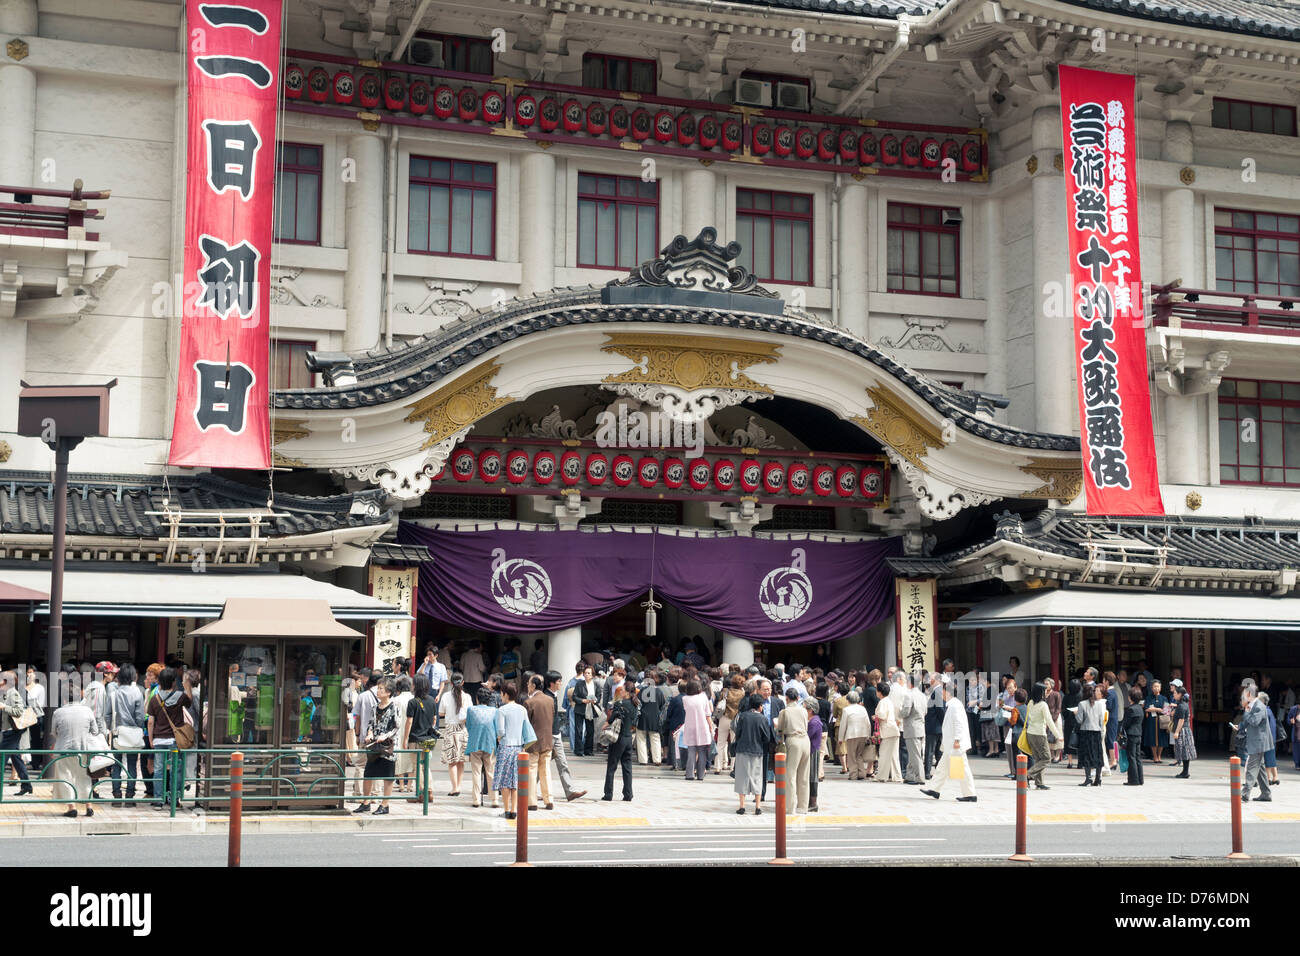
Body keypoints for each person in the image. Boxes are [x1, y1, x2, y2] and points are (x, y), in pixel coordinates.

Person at [920, 676, 977, 802]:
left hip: (956, 743)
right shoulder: (953, 704)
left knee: (963, 769)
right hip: (951, 744)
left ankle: (970, 793)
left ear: (948, 692)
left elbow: (958, 724)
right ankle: (935, 789)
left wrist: (957, 740)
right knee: (942, 767)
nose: (942, 694)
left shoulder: (954, 706)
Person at [145, 667, 191, 810]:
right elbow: (189, 702)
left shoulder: (154, 698)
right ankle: (173, 800)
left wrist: (151, 740)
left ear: (159, 681)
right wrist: (187, 686)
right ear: (173, 681)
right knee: (175, 769)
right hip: (174, 740)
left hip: (159, 740)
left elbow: (150, 722)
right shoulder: (180, 696)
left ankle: (158, 800)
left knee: (158, 769)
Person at [50, 694, 103, 817]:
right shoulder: (87, 710)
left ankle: (71, 807)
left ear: (64, 699)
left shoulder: (58, 712)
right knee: (84, 777)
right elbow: (95, 731)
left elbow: (54, 732)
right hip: (83, 749)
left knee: (65, 778)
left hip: (63, 750)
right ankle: (88, 806)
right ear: (80, 697)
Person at [356, 676, 399, 815]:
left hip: (388, 746)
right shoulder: (375, 707)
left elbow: (396, 727)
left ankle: (384, 804)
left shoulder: (394, 707)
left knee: (388, 776)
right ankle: (366, 802)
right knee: (368, 773)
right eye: (378, 688)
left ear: (388, 692)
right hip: (374, 745)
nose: (378, 691)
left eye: (381, 689)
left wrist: (384, 736)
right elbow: (371, 724)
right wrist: (369, 733)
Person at [108, 663, 147, 806]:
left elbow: (107, 715)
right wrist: (137, 728)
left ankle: (116, 795)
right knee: (131, 765)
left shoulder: (113, 693)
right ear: (132, 676)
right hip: (133, 734)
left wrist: (111, 729)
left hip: (117, 733)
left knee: (116, 765)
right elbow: (140, 717)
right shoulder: (137, 693)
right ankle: (129, 796)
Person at [543, 671, 585, 802]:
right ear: (551, 683)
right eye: (559, 681)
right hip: (549, 736)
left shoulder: (554, 695)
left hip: (556, 735)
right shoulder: (546, 697)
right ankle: (526, 789)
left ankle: (570, 791)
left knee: (563, 764)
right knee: (541, 765)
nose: (561, 683)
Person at [493, 682, 529, 819]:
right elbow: (526, 728)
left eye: (502, 693)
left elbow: (501, 730)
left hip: (506, 747)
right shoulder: (522, 709)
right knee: (515, 781)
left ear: (506, 694)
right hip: (519, 748)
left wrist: (498, 737)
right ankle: (514, 810)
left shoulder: (502, 710)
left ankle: (507, 809)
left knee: (504, 780)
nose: (501, 696)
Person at [732, 694, 773, 814]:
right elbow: (766, 738)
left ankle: (742, 806)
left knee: (742, 777)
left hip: (742, 749)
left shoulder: (743, 716)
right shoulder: (763, 718)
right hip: (757, 751)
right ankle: (758, 807)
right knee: (757, 777)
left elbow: (738, 733)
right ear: (760, 706)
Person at [403, 674, 439, 800]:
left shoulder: (412, 702)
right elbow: (434, 720)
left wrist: (405, 739)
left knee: (417, 766)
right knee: (426, 765)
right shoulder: (431, 701)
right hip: (428, 739)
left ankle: (421, 793)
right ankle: (429, 791)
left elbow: (409, 722)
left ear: (416, 686)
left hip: (415, 738)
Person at [774, 686, 810, 813]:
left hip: (793, 741)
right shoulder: (804, 711)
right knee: (804, 775)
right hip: (806, 740)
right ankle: (803, 806)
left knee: (790, 774)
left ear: (787, 698)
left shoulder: (784, 712)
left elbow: (780, 730)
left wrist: (776, 725)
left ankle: (789, 807)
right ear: (798, 698)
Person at [601, 681, 638, 802]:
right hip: (629, 738)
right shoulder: (635, 704)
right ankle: (628, 794)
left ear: (627, 692)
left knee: (611, 766)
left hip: (618, 739)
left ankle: (608, 794)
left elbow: (612, 717)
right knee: (627, 767)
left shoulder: (619, 703)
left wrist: (606, 723)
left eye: (622, 690)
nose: (620, 691)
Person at [1235, 683, 1272, 802]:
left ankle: (1245, 794)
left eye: (1244, 694)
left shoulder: (1259, 706)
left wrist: (1246, 711)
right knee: (1260, 768)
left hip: (1259, 742)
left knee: (1251, 767)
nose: (1243, 697)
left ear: (1249, 694)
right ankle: (1266, 793)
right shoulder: (1253, 705)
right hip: (1256, 741)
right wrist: (1240, 726)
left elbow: (1254, 721)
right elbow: (1248, 722)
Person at [523, 674, 555, 809]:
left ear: (534, 686)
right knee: (546, 770)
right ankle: (549, 800)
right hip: (547, 740)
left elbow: (525, 724)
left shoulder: (529, 703)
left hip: (532, 742)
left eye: (529, 684)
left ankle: (532, 802)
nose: (527, 686)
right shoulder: (550, 700)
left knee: (531, 770)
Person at [465, 686, 498, 809]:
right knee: (491, 772)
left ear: (477, 698)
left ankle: (476, 799)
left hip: (475, 742)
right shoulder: (494, 711)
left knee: (476, 771)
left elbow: (468, 725)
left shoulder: (471, 710)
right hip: (490, 743)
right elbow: (496, 728)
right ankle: (494, 799)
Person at [0, 670, 33, 795]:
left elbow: (19, 711)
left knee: (1, 759)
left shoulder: (12, 693)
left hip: (12, 732)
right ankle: (27, 785)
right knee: (16, 759)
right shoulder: (5, 692)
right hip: (8, 730)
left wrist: (4, 707)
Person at [438, 672, 470, 796]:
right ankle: (459, 786)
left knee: (452, 761)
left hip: (450, 729)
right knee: (461, 760)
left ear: (451, 683)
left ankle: (454, 787)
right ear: (462, 683)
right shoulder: (467, 696)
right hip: (462, 729)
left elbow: (441, 713)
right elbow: (470, 713)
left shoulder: (446, 696)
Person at [1074, 682, 1108, 787]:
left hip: (1086, 732)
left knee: (1087, 755)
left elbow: (1079, 720)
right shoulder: (1099, 704)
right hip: (1097, 731)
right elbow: (1102, 719)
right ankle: (1098, 778)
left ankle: (1088, 778)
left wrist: (1075, 713)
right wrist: (1102, 731)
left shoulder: (1082, 704)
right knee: (1098, 755)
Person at [680, 679, 713, 781]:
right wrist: (711, 727)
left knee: (691, 752)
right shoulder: (704, 697)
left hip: (690, 727)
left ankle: (689, 774)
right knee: (702, 752)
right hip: (702, 727)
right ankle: (701, 775)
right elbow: (708, 714)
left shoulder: (685, 699)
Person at [1024, 682, 1054, 790]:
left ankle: (1039, 782)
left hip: (1030, 733)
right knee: (1046, 758)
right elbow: (1049, 721)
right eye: (1045, 691)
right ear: (1041, 693)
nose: (1046, 693)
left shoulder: (1030, 702)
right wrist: (1058, 735)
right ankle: (1027, 775)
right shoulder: (1043, 705)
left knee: (1038, 758)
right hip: (1040, 734)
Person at [714, 673, 745, 774]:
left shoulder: (725, 691)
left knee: (720, 743)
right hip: (736, 719)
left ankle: (717, 766)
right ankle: (733, 767)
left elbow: (719, 702)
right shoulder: (742, 694)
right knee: (734, 743)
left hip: (724, 718)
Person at [837, 691, 871, 780]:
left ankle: (853, 774)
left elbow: (843, 724)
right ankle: (862, 773)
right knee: (859, 755)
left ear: (848, 700)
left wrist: (841, 738)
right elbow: (868, 723)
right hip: (863, 734)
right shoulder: (862, 708)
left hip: (852, 735)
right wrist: (868, 734)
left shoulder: (846, 710)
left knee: (851, 755)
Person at [874, 680, 903, 782]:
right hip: (893, 729)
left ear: (880, 692)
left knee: (884, 753)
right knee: (894, 755)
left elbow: (882, 715)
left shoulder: (882, 702)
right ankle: (897, 776)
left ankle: (882, 776)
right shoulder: (889, 701)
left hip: (887, 731)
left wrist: (875, 717)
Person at [390, 675, 415, 793]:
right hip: (411, 731)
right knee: (411, 757)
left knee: (399, 757)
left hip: (398, 731)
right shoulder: (414, 699)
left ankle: (400, 785)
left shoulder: (395, 700)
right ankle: (409, 785)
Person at [635, 671, 665, 766]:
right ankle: (657, 760)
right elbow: (662, 704)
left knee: (641, 738)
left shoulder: (642, 691)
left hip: (643, 717)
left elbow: (638, 703)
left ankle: (643, 760)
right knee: (655, 738)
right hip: (654, 718)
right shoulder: (659, 691)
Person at [901, 674, 927, 785]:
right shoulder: (922, 695)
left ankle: (920, 777)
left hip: (911, 727)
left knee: (915, 754)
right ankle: (910, 775)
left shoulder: (908, 695)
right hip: (920, 726)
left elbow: (905, 712)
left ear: (910, 683)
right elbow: (925, 711)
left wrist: (898, 712)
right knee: (915, 753)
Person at [1169, 683, 1196, 779]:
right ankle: (1185, 771)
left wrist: (1176, 732)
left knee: (1184, 751)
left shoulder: (1181, 706)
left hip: (1182, 730)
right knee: (1185, 751)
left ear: (1180, 694)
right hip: (1185, 730)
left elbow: (1181, 720)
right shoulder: (1182, 705)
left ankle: (1185, 772)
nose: (1174, 695)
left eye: (1175, 693)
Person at [22, 666, 47, 772]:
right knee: (23, 740)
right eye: (27, 672)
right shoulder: (21, 687)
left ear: (36, 674)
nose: (28, 674)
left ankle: (35, 762)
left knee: (35, 740)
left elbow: (41, 704)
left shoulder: (40, 688)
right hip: (22, 717)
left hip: (35, 717)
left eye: (31, 672)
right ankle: (23, 761)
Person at [571, 665, 598, 757]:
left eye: (588, 673)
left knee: (590, 730)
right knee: (579, 730)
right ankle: (578, 750)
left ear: (592, 675)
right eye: (585, 673)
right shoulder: (579, 684)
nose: (586, 674)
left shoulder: (595, 684)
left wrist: (595, 701)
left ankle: (588, 750)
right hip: (580, 709)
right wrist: (582, 700)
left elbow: (598, 695)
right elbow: (574, 696)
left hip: (591, 708)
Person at [1121, 686, 1145, 786]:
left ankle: (1133, 780)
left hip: (1131, 734)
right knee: (1137, 757)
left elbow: (1125, 723)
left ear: (1130, 697)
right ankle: (1140, 779)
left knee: (1131, 757)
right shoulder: (1140, 708)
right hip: (1138, 734)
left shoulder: (1130, 709)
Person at [1143, 679, 1171, 765]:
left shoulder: (1164, 698)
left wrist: (1161, 710)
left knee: (1162, 738)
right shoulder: (1148, 698)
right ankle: (1154, 756)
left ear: (1160, 688)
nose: (1156, 688)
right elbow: (1146, 708)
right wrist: (1156, 709)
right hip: (1152, 720)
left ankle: (1159, 756)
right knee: (1153, 738)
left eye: (1158, 686)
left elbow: (1167, 710)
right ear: (1152, 688)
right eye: (1155, 686)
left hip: (1162, 720)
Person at [804, 697, 823, 812]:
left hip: (812, 752)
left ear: (810, 710)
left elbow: (807, 736)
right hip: (812, 750)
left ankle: (813, 802)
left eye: (805, 708)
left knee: (812, 777)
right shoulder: (813, 720)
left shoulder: (814, 722)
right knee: (811, 776)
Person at [1260, 692, 1281, 787]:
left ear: (1262, 701)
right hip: (1272, 737)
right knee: (1271, 757)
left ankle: (1268, 778)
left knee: (1267, 758)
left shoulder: (1264, 711)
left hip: (1267, 738)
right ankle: (1275, 777)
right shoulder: (1269, 710)